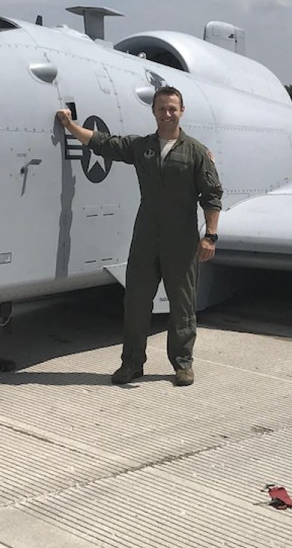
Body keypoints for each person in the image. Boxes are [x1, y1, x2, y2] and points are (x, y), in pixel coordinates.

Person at [56, 86, 223, 386]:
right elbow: (103, 143)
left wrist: (210, 236)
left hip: (181, 240)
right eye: (162, 108)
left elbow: (212, 196)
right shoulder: (142, 147)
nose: (167, 113)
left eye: (172, 108)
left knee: (182, 305)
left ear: (181, 111)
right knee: (135, 303)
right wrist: (70, 126)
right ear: (154, 112)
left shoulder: (196, 152)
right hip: (146, 237)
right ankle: (132, 363)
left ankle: (183, 363)